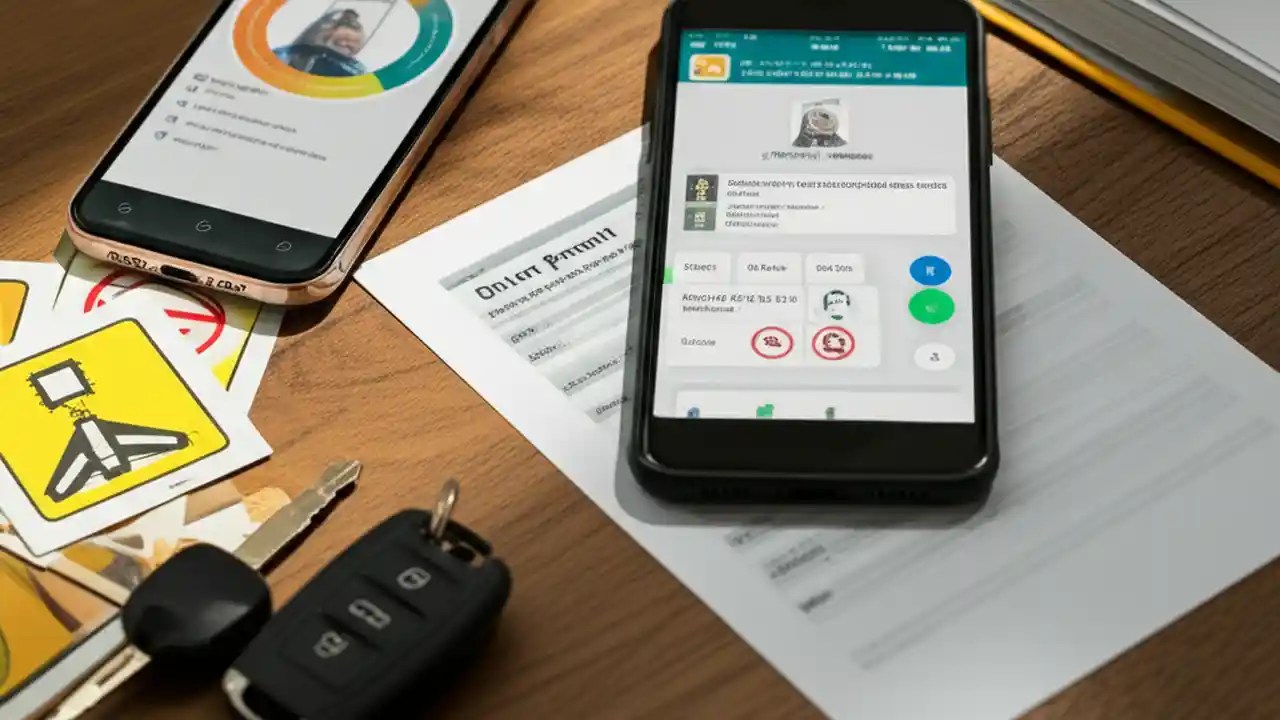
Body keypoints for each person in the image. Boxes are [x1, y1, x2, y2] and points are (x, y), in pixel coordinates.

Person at [273, 9, 368, 77]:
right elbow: (280, 55)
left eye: (350, 44)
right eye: (339, 42)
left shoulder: (356, 69)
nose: (344, 44)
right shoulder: (313, 53)